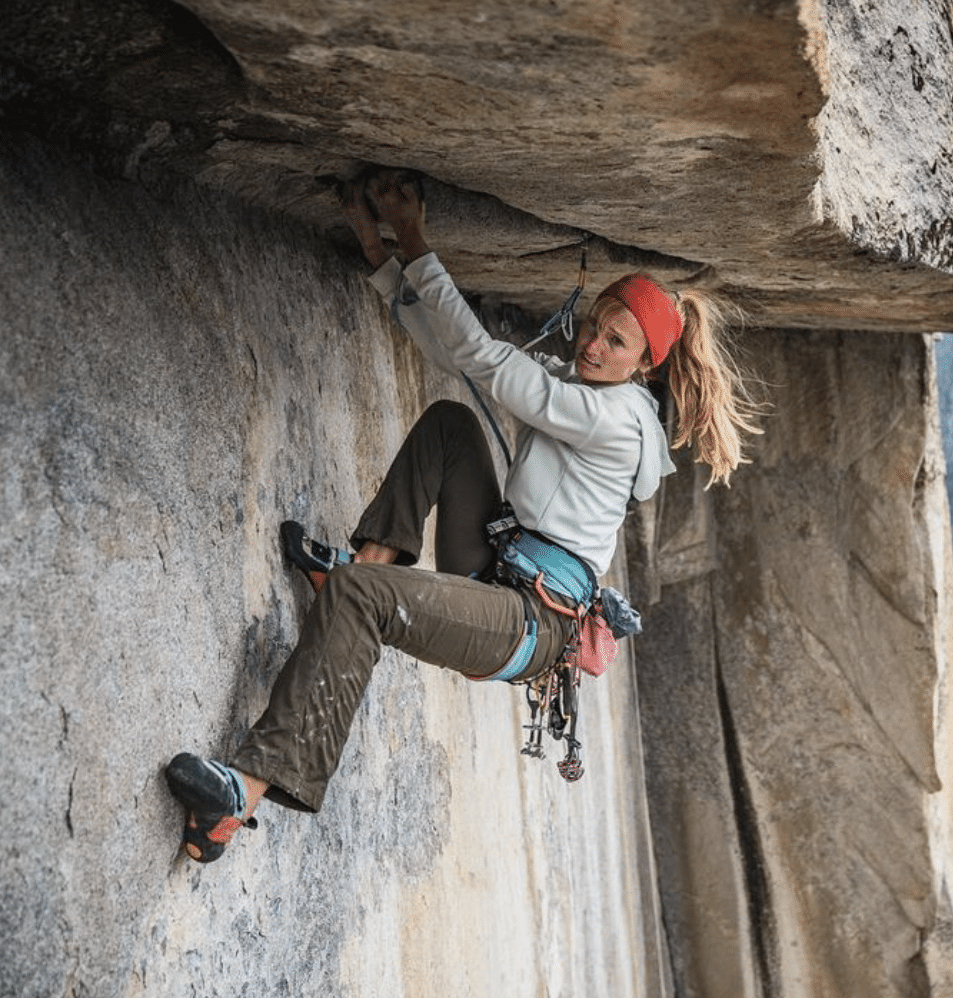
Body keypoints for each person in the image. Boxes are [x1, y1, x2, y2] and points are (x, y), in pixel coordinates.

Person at [164, 169, 761, 863]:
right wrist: (380, 257)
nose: (592, 344)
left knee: (364, 603)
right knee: (452, 424)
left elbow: (483, 354)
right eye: (595, 325)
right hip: (498, 563)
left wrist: (415, 237)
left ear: (645, 369)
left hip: (531, 622)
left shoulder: (617, 419)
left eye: (616, 342)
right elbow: (462, 361)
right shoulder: (587, 386)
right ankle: (363, 572)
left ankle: (239, 796)